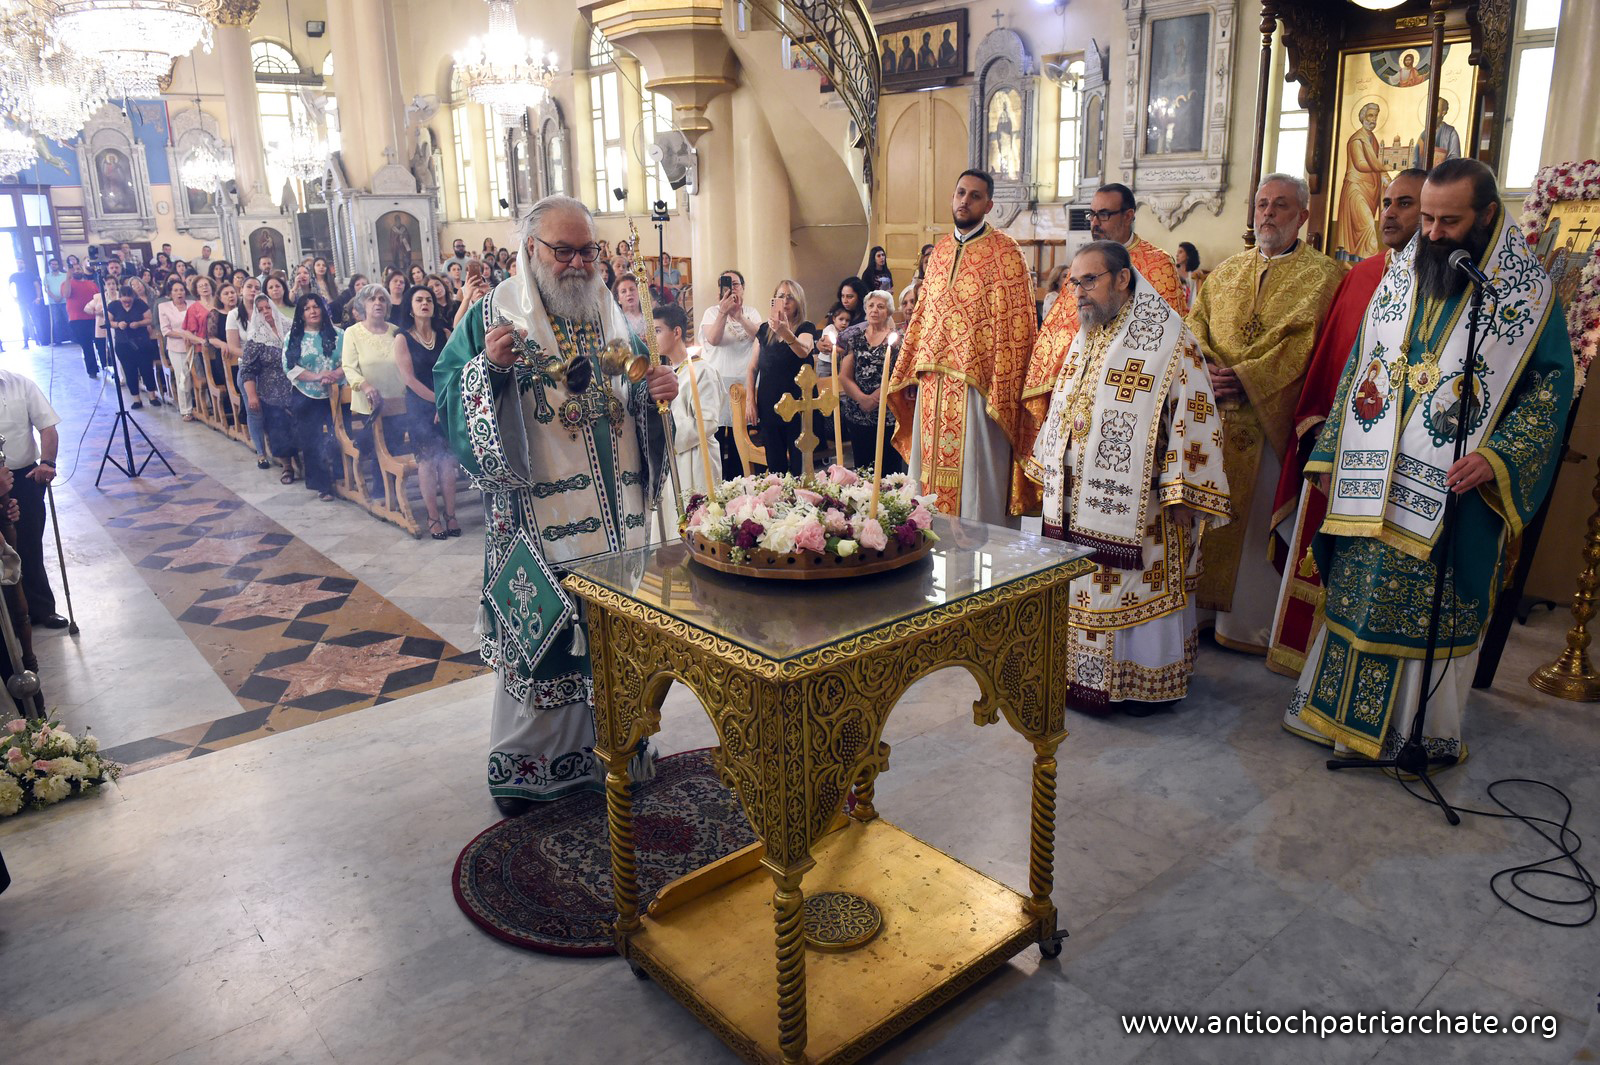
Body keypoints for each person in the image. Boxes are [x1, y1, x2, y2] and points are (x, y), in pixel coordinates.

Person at [1283, 158, 1573, 763]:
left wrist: (1498, 457)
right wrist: (1336, 447)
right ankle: (1337, 717)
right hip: (1373, 475)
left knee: (1425, 608)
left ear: (1488, 215)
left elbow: (1548, 390)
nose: (1433, 235)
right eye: (1429, 219)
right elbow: (1363, 362)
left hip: (1451, 487)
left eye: (1449, 221)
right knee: (1357, 595)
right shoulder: (1405, 271)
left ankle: (1411, 735)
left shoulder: (1524, 294)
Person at [433, 193, 675, 815]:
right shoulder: (492, 313)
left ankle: (620, 754)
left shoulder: (610, 315)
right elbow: (448, 394)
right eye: (562, 250)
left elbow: (633, 401)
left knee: (616, 646)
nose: (576, 263)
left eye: (586, 250)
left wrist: (656, 391)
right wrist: (487, 368)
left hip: (616, 526)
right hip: (538, 528)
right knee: (546, 644)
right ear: (530, 250)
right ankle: (537, 771)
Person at [1021, 241, 1231, 714]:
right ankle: (1079, 678)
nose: (1077, 292)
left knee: (1131, 590)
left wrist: (1182, 488)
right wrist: (1050, 463)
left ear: (1122, 278)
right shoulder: (1087, 332)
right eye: (1073, 282)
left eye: (1089, 280)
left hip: (1144, 509)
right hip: (1075, 499)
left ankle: (1139, 686)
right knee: (1081, 587)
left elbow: (1195, 412)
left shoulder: (1169, 338)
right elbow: (1065, 406)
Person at [1266, 169, 1426, 678]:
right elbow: (1330, 365)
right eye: (1387, 202)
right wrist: (1321, 440)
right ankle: (1308, 665)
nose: (1391, 214)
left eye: (1407, 204)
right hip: (1342, 449)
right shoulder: (1361, 276)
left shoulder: (1448, 283)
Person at [1187, 173, 1345, 654]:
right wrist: (1209, 370)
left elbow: (1310, 347)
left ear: (1303, 215)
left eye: (1280, 205)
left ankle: (1248, 626)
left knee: (1257, 526)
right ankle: (1200, 616)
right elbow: (1196, 327)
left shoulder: (1326, 277)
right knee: (1205, 519)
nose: (1268, 214)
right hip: (1215, 418)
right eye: (1261, 204)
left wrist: (1247, 376)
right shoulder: (1226, 272)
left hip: (1270, 422)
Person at [887, 169, 1036, 522]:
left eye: (974, 196)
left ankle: (985, 555)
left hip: (980, 388)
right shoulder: (938, 253)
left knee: (977, 479)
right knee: (928, 486)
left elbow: (1017, 327)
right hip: (932, 386)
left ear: (989, 205)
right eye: (960, 193)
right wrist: (910, 371)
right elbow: (924, 314)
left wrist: (1006, 386)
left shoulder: (1006, 253)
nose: (965, 201)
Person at [0, 366, 65, 629]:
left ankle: (41, 609)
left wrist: (47, 462)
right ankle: (9, 619)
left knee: (29, 542)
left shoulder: (20, 385)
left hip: (23, 477)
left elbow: (47, 427)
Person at [393, 285, 459, 539]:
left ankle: (451, 515)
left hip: (445, 402)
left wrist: (444, 403)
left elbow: (454, 369)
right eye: (419, 300)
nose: (424, 303)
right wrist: (436, 403)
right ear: (410, 307)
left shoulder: (443, 333)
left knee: (448, 461)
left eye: (429, 300)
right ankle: (433, 517)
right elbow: (409, 379)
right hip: (420, 406)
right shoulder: (402, 338)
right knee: (428, 462)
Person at [743, 279, 817, 476]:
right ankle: (779, 503)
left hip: (798, 403)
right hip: (769, 402)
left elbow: (803, 351)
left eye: (790, 296)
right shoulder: (765, 329)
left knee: (799, 464)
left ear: (799, 301)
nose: (785, 301)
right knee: (775, 464)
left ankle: (801, 503)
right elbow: (752, 368)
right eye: (781, 296)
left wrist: (784, 330)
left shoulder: (805, 327)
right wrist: (750, 400)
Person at [341, 283, 408, 496]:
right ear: (362, 304)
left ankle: (396, 491)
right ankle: (382, 493)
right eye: (372, 299)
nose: (377, 303)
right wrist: (366, 386)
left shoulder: (396, 331)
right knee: (380, 446)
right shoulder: (353, 333)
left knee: (395, 447)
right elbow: (349, 368)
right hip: (370, 401)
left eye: (382, 299)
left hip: (398, 399)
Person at [655, 302, 725, 503]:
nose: (652, 339)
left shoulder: (702, 371)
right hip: (675, 457)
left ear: (676, 332)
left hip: (697, 459)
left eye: (658, 331)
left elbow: (708, 422)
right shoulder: (669, 373)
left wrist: (668, 433)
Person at [699, 268, 763, 479]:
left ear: (743, 288)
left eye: (735, 284)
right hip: (718, 382)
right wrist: (723, 313)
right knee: (717, 434)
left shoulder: (752, 313)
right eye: (726, 284)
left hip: (745, 382)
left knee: (739, 435)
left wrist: (740, 316)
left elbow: (760, 337)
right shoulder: (711, 312)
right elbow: (714, 339)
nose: (731, 288)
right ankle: (719, 480)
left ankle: (739, 479)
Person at [282, 294, 345, 502]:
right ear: (301, 314)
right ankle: (322, 484)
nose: (313, 311)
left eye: (316, 307)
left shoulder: (339, 334)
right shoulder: (294, 337)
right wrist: (318, 377)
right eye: (307, 308)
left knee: (340, 435)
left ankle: (342, 476)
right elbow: (290, 368)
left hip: (337, 392)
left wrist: (336, 374)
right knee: (312, 440)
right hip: (306, 393)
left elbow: (350, 360)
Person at [837, 290, 907, 475]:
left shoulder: (897, 340)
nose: (875, 310)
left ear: (889, 312)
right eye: (871, 306)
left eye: (880, 306)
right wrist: (862, 398)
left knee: (889, 472)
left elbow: (900, 376)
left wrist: (875, 398)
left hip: (887, 415)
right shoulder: (855, 338)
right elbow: (844, 376)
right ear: (865, 309)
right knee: (863, 471)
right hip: (858, 414)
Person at [239, 293, 298, 483]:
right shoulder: (256, 338)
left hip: (298, 386)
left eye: (268, 307)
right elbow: (247, 370)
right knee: (278, 425)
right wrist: (252, 396)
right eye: (261, 310)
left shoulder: (291, 328)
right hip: (272, 390)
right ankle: (287, 466)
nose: (266, 312)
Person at [1335, 103, 1389, 261]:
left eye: (1375, 116)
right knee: (1368, 227)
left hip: (1370, 190)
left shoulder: (1373, 139)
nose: (1373, 120)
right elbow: (1360, 164)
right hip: (1356, 189)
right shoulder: (1356, 140)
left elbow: (1376, 163)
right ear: (1362, 117)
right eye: (1370, 116)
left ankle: (1359, 265)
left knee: (1364, 229)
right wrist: (1382, 166)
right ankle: (1370, 266)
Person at [227, 278, 273, 467]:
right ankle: (261, 453)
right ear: (241, 290)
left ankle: (280, 448)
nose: (253, 290)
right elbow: (233, 347)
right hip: (248, 367)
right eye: (249, 287)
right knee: (255, 410)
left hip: (270, 366)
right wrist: (254, 357)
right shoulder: (234, 315)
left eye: (257, 288)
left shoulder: (265, 310)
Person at [105, 283, 161, 408]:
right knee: (130, 371)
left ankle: (152, 395)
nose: (127, 302)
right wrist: (118, 324)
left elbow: (149, 319)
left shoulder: (140, 304)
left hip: (142, 342)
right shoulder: (113, 306)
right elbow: (108, 321)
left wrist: (139, 323)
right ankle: (136, 399)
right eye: (124, 299)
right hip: (123, 344)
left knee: (146, 369)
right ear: (119, 298)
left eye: (129, 299)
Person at [158, 278, 198, 421]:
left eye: (181, 290)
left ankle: (204, 405)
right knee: (183, 376)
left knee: (199, 375)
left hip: (194, 345)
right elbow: (166, 331)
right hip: (177, 346)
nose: (179, 293)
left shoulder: (193, 304)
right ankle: (186, 409)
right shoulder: (164, 307)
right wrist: (182, 335)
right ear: (170, 293)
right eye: (175, 290)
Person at [64, 264, 106, 378]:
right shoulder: (67, 284)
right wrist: (67, 279)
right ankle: (92, 370)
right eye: (74, 270)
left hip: (94, 318)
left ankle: (105, 365)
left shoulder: (91, 284)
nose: (77, 271)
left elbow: (99, 298)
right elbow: (66, 294)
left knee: (100, 344)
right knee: (87, 346)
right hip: (77, 319)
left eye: (79, 269)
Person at [613, 273, 647, 339]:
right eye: (623, 291)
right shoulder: (615, 321)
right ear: (618, 298)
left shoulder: (650, 317)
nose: (629, 293)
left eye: (632, 289)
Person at [43, 258, 68, 346]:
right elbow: (47, 289)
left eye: (56, 264)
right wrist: (55, 297)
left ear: (58, 265)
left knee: (69, 319)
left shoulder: (64, 275)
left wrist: (61, 296)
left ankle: (74, 338)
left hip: (65, 300)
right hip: (53, 303)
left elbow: (67, 287)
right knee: (56, 321)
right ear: (50, 266)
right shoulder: (46, 277)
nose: (54, 266)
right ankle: (58, 340)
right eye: (52, 264)